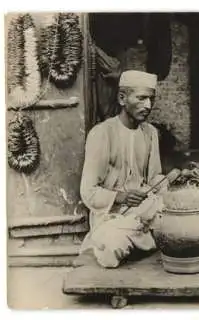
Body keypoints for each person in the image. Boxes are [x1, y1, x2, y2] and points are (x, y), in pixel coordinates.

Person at [78, 70, 168, 268]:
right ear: (122, 98)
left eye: (151, 99)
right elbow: (88, 192)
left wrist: (180, 179)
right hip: (114, 216)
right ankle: (146, 239)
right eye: (142, 98)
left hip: (146, 209)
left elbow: (154, 179)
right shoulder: (101, 134)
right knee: (112, 246)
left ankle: (146, 238)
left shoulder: (150, 132)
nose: (148, 106)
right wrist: (122, 197)